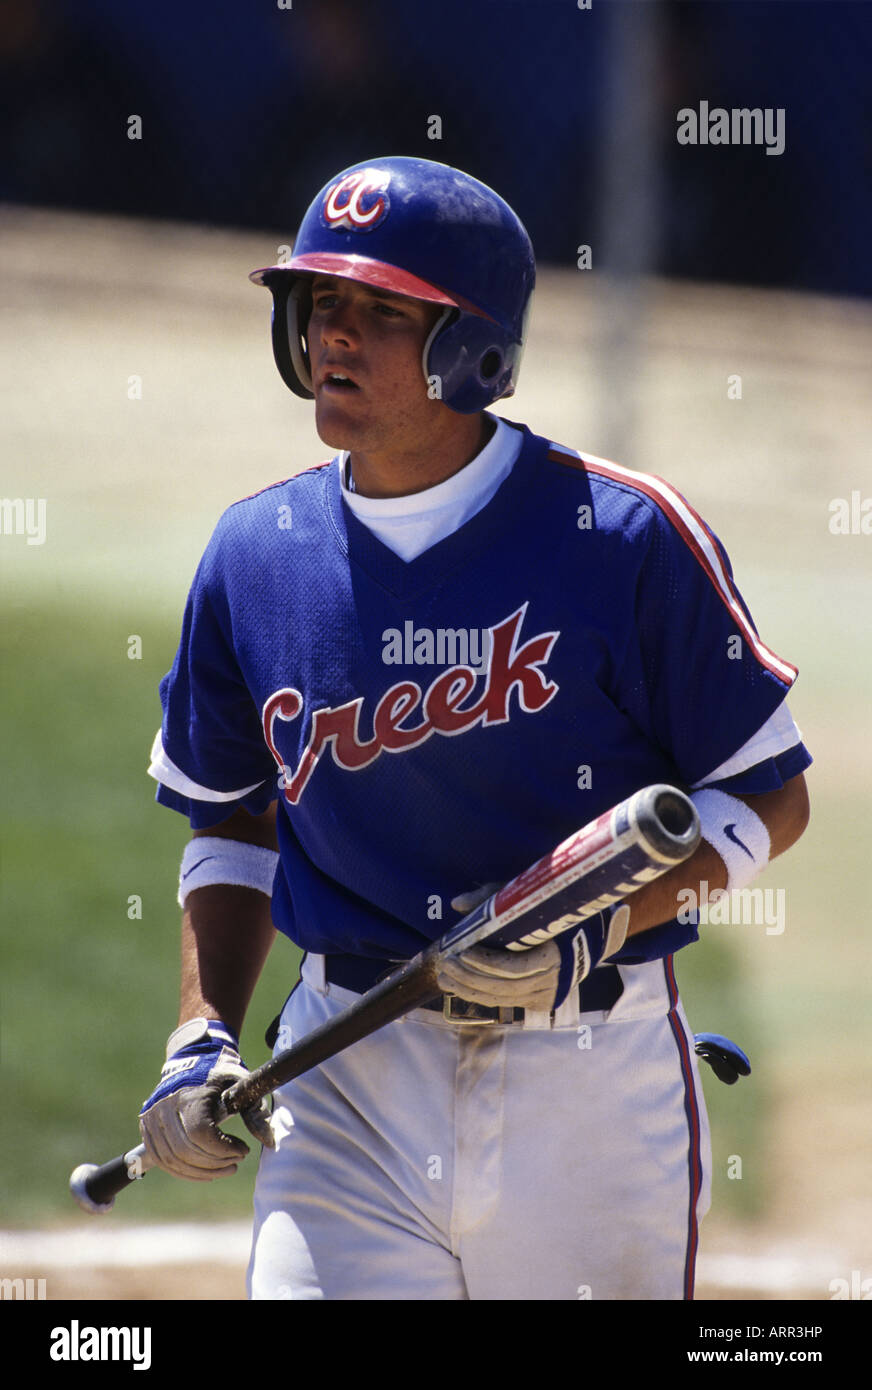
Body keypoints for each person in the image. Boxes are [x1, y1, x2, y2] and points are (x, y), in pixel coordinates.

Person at [139, 156, 811, 1301]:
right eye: (322, 306)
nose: (334, 338)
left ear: (472, 348)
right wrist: (201, 1033)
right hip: (344, 1070)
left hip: (587, 1086)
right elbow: (233, 818)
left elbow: (762, 795)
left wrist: (581, 943)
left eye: (379, 313)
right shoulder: (254, 556)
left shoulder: (622, 536)